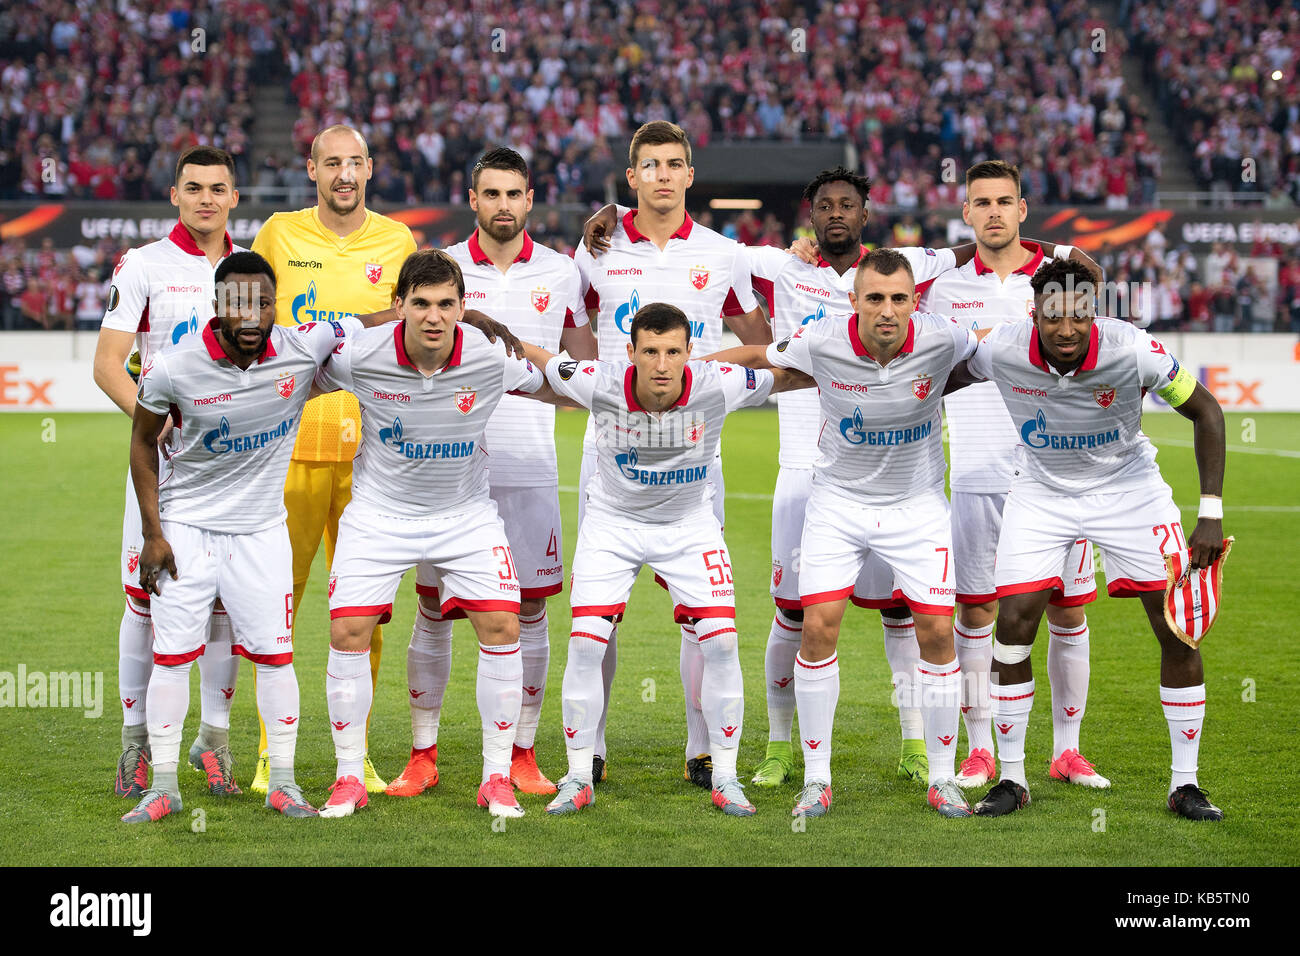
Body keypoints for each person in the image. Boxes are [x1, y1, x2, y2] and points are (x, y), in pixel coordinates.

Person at [713, 249, 983, 819]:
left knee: (937, 631)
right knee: (818, 626)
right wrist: (692, 370)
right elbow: (759, 355)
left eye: (899, 299)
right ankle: (817, 779)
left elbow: (1005, 350)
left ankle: (942, 777)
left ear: (915, 302)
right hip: (836, 504)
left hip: (918, 506)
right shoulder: (821, 338)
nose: (888, 310)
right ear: (855, 300)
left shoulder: (944, 337)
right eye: (875, 298)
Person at [519, 303, 811, 817]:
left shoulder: (719, 383)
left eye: (672, 351)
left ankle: (725, 776)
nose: (661, 364)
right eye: (649, 351)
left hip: (689, 527)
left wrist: (847, 360)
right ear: (628, 353)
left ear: (688, 353)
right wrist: (478, 326)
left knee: (721, 642)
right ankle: (577, 775)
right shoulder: (597, 379)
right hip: (611, 525)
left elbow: (788, 377)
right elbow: (541, 361)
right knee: (587, 647)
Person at [964, 258, 1227, 821]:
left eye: (1078, 315)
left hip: (1131, 490)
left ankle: (1186, 784)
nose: (1066, 329)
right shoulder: (1001, 349)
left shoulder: (1134, 349)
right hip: (1040, 493)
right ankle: (1011, 778)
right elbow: (937, 372)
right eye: (1054, 316)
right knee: (1011, 628)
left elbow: (1207, 411)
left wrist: (1210, 512)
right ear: (1035, 313)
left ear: (1093, 312)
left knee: (1177, 629)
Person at [312, 250, 566, 819]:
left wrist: (628, 396)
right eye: (420, 304)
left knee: (503, 623)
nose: (433, 316)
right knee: (348, 629)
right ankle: (348, 777)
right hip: (379, 514)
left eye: (446, 304)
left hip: (465, 515)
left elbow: (554, 383)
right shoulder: (359, 355)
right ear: (397, 305)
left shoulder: (490, 357)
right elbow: (293, 379)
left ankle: (496, 777)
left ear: (462, 308)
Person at [740, 166, 963, 789]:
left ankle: (916, 745)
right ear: (810, 214)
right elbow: (701, 256)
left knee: (903, 615)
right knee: (796, 616)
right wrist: (611, 224)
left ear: (865, 214)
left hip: (895, 480)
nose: (837, 214)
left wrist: (1054, 253)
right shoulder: (778, 268)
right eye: (826, 205)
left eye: (849, 205)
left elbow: (973, 249)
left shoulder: (899, 269)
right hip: (803, 473)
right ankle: (782, 747)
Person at [386, 147, 597, 800]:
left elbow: (581, 379)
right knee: (433, 610)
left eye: (514, 194)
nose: (503, 205)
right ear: (472, 199)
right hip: (448, 474)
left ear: (530, 199)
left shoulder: (562, 274)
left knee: (530, 610)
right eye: (491, 193)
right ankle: (423, 755)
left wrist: (526, 378)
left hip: (531, 470)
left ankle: (524, 754)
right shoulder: (442, 270)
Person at [571, 121, 771, 789]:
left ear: (690, 176)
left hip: (694, 454)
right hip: (611, 451)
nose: (661, 174)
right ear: (631, 178)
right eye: (648, 164)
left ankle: (702, 747)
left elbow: (759, 337)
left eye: (674, 164)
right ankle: (590, 749)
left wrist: (716, 377)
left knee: (700, 614)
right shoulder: (595, 247)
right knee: (601, 612)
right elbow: (572, 330)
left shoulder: (725, 254)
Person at [122, 251, 344, 822]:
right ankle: (164, 787)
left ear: (277, 306)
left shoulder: (301, 348)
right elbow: (143, 442)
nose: (251, 316)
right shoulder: (173, 366)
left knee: (275, 657)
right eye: (238, 303)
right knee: (171, 658)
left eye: (263, 303)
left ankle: (285, 784)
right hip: (186, 530)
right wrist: (153, 532)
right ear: (217, 304)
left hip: (262, 533)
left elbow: (375, 323)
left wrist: (475, 322)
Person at [919, 161, 1106, 791]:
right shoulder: (940, 288)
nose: (994, 212)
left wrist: (1066, 252)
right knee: (975, 615)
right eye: (981, 203)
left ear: (1023, 209)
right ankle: (980, 751)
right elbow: (866, 277)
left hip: (1059, 475)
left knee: (1068, 613)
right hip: (974, 476)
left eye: (1005, 201)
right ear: (966, 213)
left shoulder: (1058, 279)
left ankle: (1067, 750)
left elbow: (1094, 298)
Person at [249, 124, 418, 794]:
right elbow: (246, 318)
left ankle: (359, 756)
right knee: (273, 609)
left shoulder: (397, 241)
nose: (344, 175)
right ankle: (273, 754)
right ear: (312, 169)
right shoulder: (278, 235)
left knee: (365, 613)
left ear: (370, 168)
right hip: (287, 451)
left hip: (374, 456)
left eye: (355, 163)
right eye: (332, 164)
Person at [93, 145, 245, 801]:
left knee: (221, 609)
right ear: (175, 195)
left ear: (235, 196)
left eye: (218, 188)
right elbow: (107, 364)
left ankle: (213, 744)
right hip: (163, 467)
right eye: (195, 187)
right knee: (145, 600)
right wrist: (156, 424)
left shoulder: (250, 269)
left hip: (236, 469)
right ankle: (135, 746)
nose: (207, 198)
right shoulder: (146, 265)